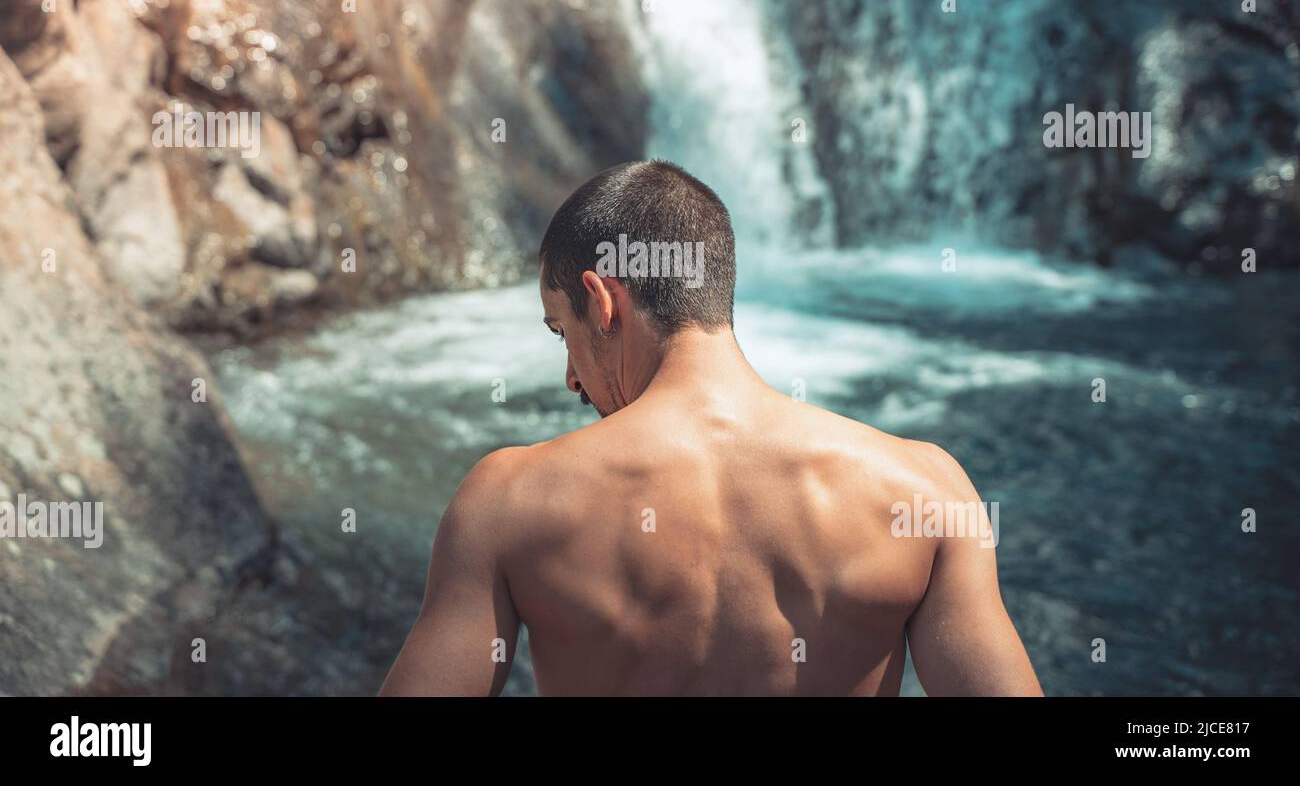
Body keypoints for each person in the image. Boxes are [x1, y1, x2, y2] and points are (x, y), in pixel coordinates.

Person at [380, 160, 1043, 696]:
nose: (572, 379)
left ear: (604, 300)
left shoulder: (506, 499)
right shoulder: (927, 490)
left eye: (563, 332)